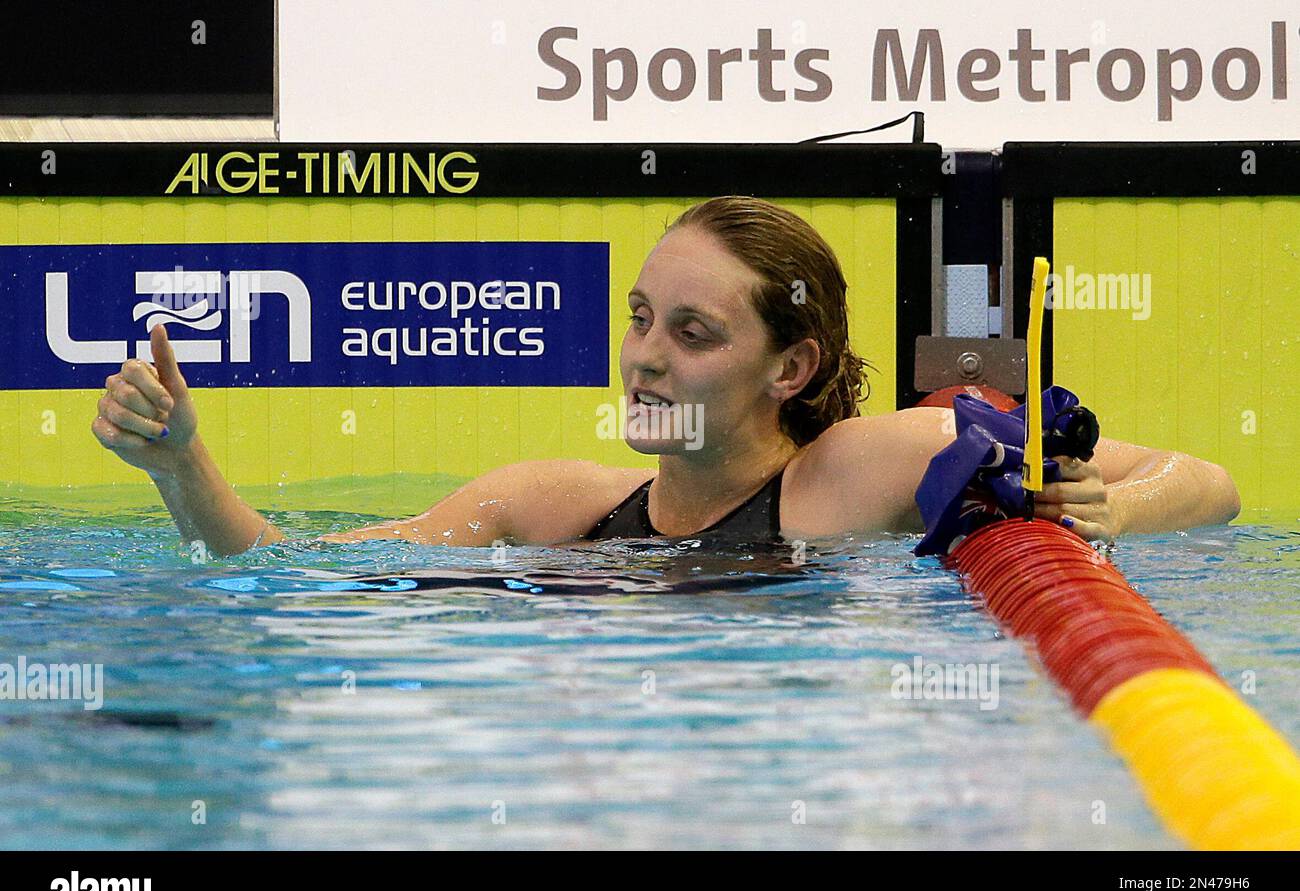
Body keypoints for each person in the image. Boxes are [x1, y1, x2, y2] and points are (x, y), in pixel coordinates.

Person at [91, 197, 1240, 556]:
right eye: (641, 318)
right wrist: (179, 460)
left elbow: (1212, 480)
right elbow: (293, 575)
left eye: (692, 332)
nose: (644, 354)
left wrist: (1113, 507)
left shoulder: (857, 470)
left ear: (790, 366)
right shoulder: (550, 504)